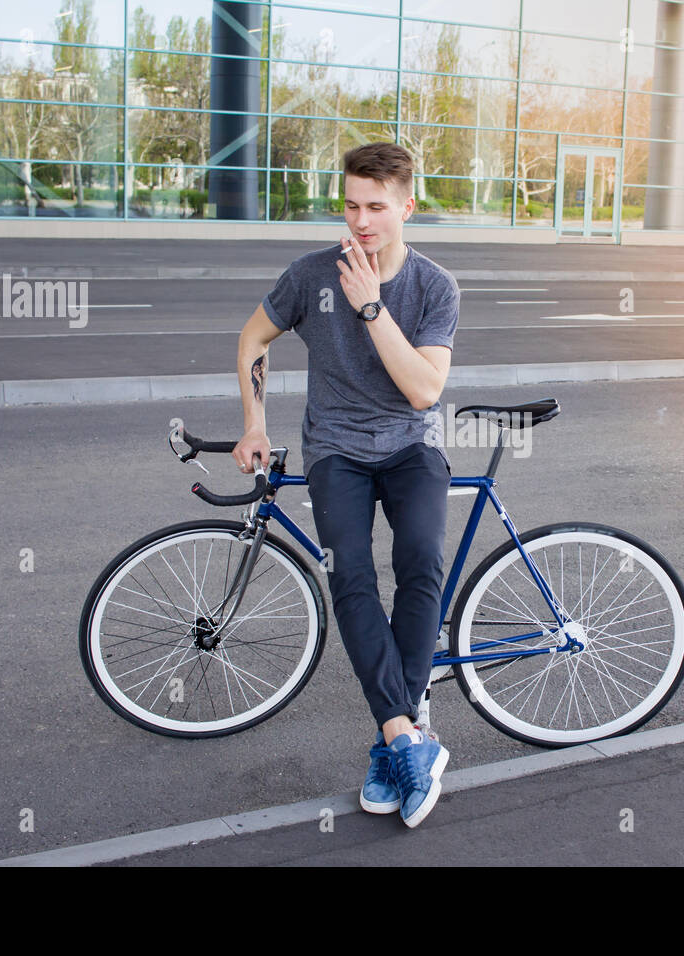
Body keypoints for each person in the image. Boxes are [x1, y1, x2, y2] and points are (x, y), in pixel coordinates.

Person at [232, 142, 460, 828]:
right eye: (352, 205)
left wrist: (369, 307)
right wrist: (254, 425)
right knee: (351, 575)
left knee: (420, 564)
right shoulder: (308, 276)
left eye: (377, 207)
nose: (362, 221)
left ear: (407, 207)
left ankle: (395, 738)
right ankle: (404, 738)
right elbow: (252, 340)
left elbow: (423, 390)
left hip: (412, 447)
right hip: (336, 451)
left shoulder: (434, 287)